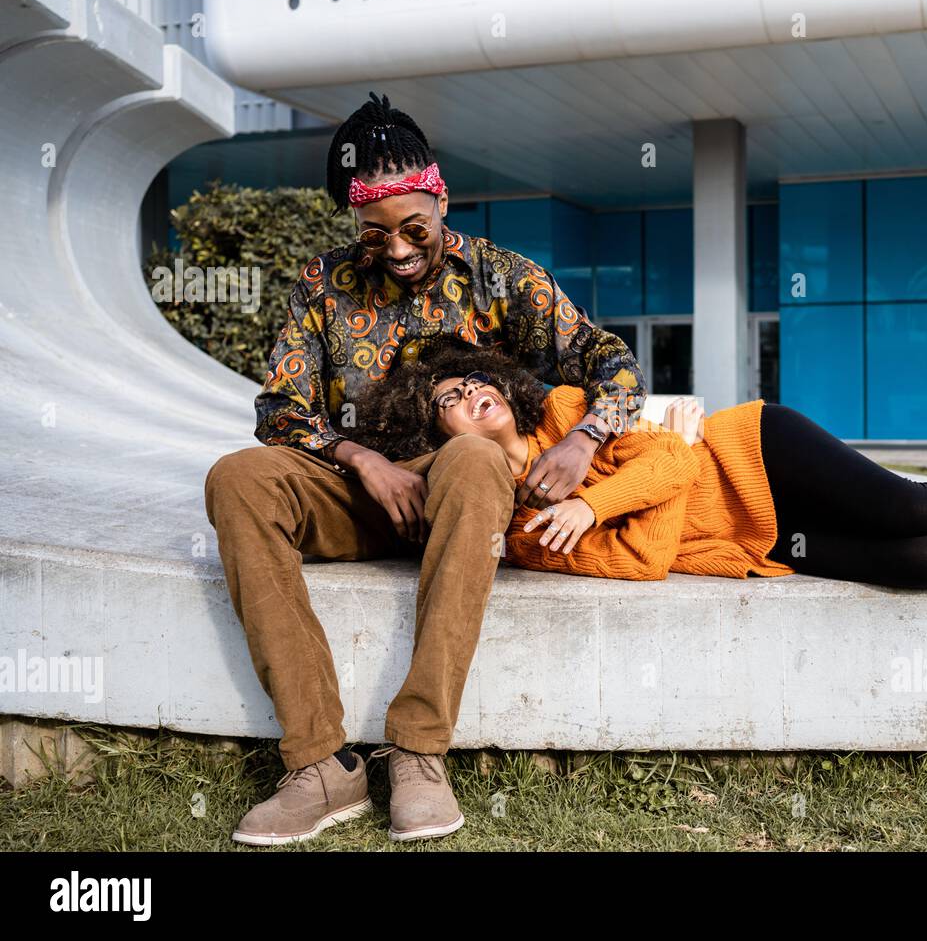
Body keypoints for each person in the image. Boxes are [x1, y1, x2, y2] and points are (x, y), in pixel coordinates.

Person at [203, 92, 648, 846]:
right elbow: (280, 407)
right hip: (360, 492)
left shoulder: (505, 277)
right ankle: (320, 765)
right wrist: (362, 458)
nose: (400, 251)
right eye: (376, 235)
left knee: (473, 455)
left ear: (442, 199)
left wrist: (584, 441)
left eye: (416, 229)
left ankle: (417, 751)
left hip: (464, 496)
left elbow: (615, 362)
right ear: (353, 222)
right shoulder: (322, 284)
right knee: (236, 476)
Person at [347, 346, 927, 590]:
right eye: (451, 397)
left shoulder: (567, 412)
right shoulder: (525, 534)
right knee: (919, 567)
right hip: (754, 540)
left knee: (908, 512)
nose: (474, 394)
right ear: (438, 427)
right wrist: (644, 502)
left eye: (477, 380)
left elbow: (675, 453)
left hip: (756, 450)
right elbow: (644, 562)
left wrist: (599, 506)